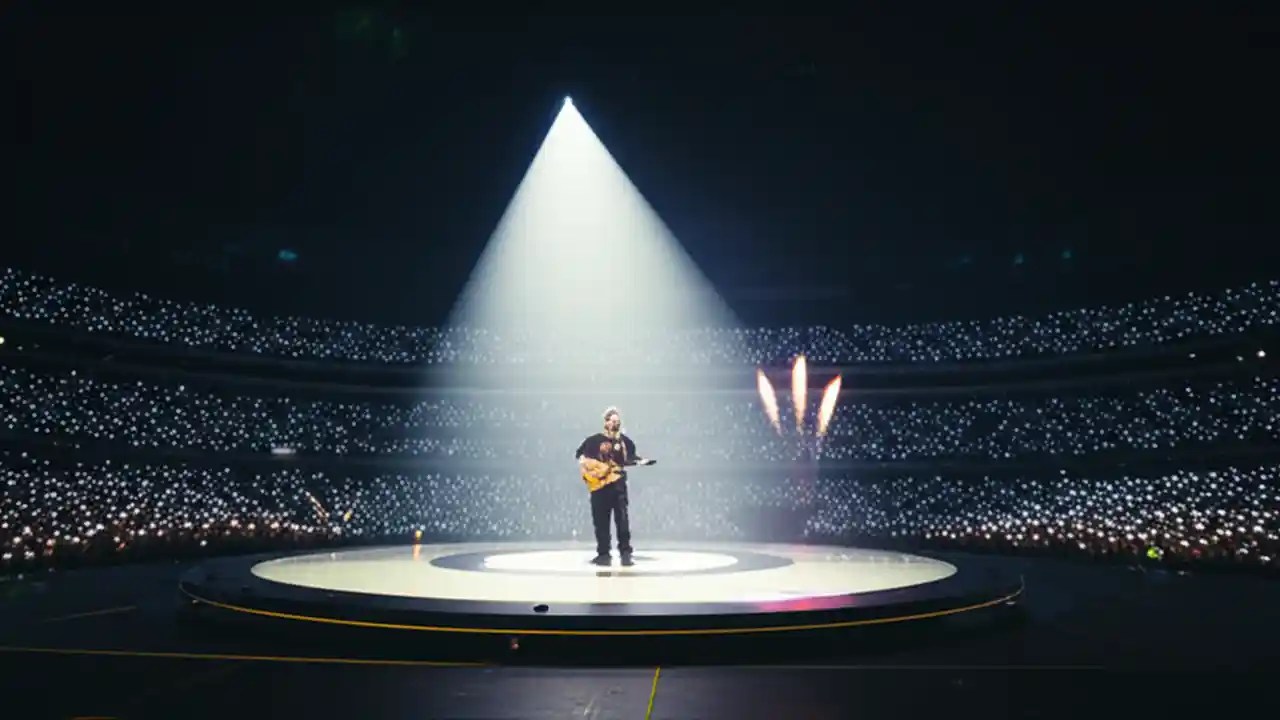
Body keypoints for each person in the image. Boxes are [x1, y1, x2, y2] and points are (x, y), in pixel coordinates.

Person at [575, 406, 655, 566]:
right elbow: (580, 454)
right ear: (606, 422)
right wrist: (590, 466)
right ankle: (603, 553)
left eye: (618, 421)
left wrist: (641, 461)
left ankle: (625, 552)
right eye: (613, 421)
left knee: (622, 518)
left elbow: (630, 457)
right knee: (600, 520)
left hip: (617, 485)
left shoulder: (624, 442)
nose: (616, 424)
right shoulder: (593, 440)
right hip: (599, 487)